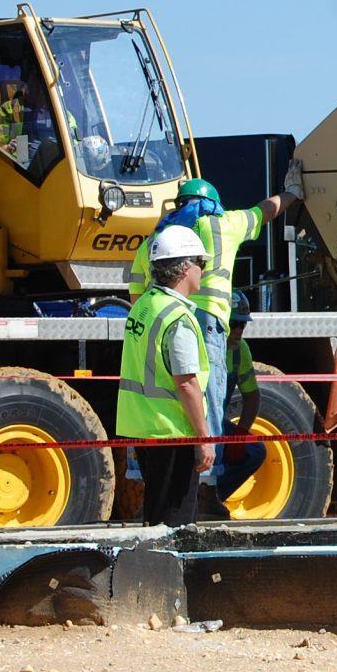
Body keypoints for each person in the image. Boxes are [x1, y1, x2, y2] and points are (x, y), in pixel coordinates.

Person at [128, 165, 302, 490]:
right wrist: (292, 192)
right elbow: (264, 211)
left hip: (161, 320)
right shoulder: (225, 224)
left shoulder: (154, 240)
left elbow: (138, 295)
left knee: (166, 399)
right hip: (207, 323)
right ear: (214, 205)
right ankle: (208, 485)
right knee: (209, 398)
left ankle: (155, 480)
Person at [119, 225, 215, 526]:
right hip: (173, 430)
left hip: (147, 428)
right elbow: (186, 383)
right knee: (175, 526)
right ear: (185, 267)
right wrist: (204, 438)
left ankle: (151, 570)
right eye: (201, 263)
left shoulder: (145, 305)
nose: (203, 270)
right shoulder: (178, 317)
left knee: (156, 517)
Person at [197, 293, 265, 519]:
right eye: (233, 324)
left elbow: (252, 396)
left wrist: (241, 433)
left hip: (215, 425)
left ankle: (210, 498)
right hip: (192, 422)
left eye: (243, 325)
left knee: (255, 451)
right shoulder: (201, 345)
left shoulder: (240, 351)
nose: (238, 330)